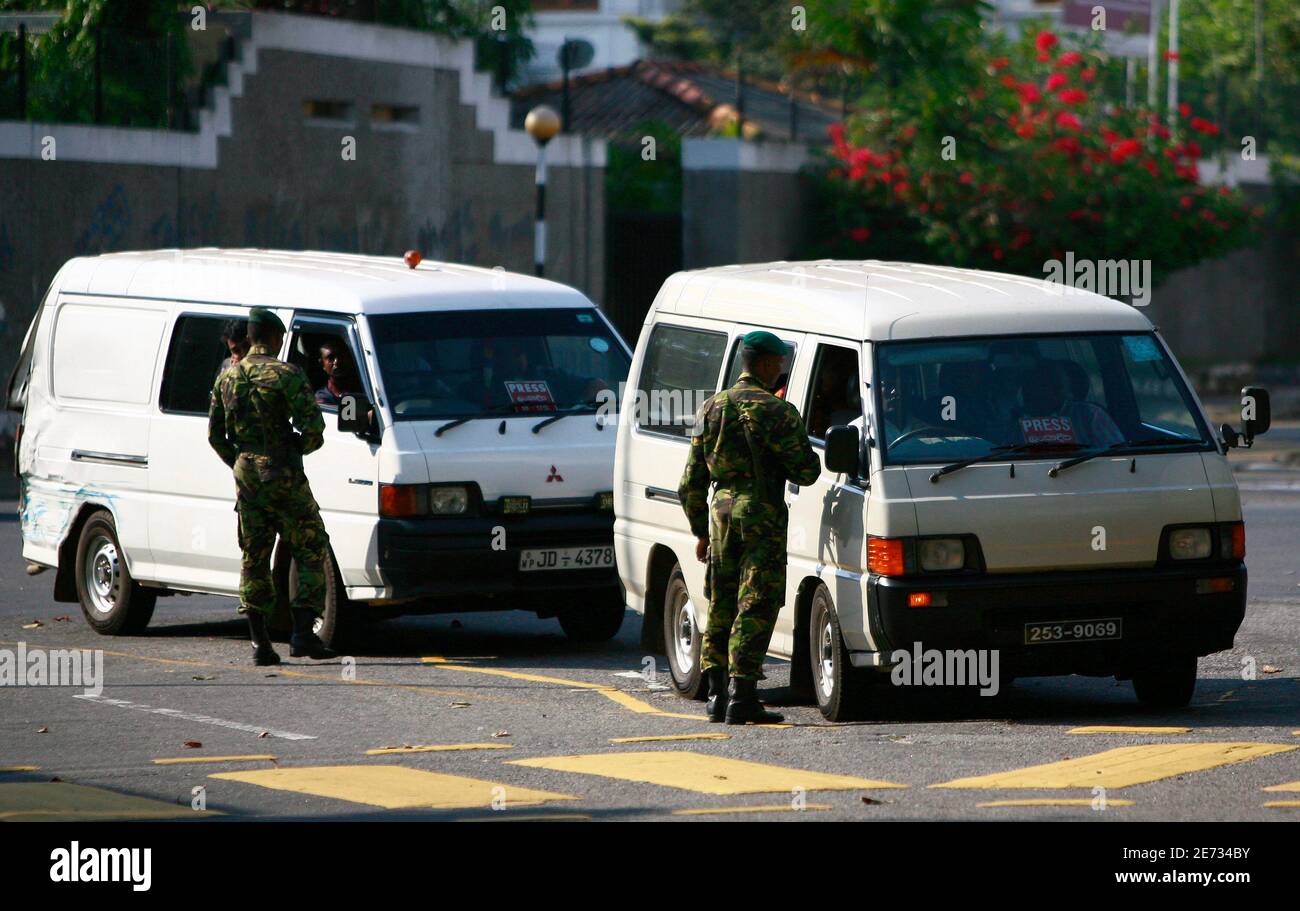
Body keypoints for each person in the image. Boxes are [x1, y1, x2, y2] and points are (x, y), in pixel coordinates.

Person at [678, 330, 821, 724]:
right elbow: (807, 471)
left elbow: (689, 483)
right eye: (778, 363)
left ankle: (716, 695)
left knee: (721, 600)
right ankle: (743, 696)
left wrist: (700, 533)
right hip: (762, 517)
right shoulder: (779, 412)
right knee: (755, 603)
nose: (781, 369)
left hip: (720, 517)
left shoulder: (711, 408)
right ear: (764, 364)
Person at [208, 307, 336, 666]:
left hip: (247, 475)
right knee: (310, 545)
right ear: (276, 338)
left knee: (254, 555)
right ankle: (301, 634)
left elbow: (216, 435)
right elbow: (314, 430)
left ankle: (259, 643)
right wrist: (296, 447)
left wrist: (240, 461)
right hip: (284, 474)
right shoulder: (287, 375)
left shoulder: (227, 378)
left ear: (249, 338)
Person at [315, 341, 361, 407]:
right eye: (331, 358)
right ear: (322, 364)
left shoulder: (363, 386)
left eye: (341, 356)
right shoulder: (323, 397)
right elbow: (348, 416)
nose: (337, 361)